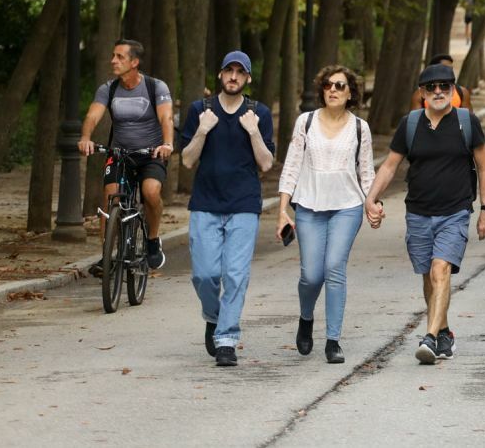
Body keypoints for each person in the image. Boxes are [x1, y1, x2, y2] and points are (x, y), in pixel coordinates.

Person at [365, 63, 485, 364]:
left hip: (455, 211)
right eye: (432, 87)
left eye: (445, 86)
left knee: (440, 271)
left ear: (454, 90)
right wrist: (371, 198)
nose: (438, 91)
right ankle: (445, 331)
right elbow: (389, 165)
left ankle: (431, 338)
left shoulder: (467, 122)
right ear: (422, 92)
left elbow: (484, 166)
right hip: (419, 213)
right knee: (428, 277)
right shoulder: (409, 124)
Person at [179, 50, 276, 367]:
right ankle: (214, 316)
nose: (233, 76)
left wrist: (253, 131)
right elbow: (187, 160)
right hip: (206, 203)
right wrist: (203, 129)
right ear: (220, 75)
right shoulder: (199, 110)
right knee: (205, 275)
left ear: (248, 78)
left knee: (235, 276)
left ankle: (226, 341)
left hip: (243, 205)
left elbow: (266, 163)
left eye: (240, 72)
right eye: (228, 70)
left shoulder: (258, 112)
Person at [276, 66, 375, 365]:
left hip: (347, 206)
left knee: (334, 267)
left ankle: (333, 340)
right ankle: (306, 318)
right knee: (311, 275)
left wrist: (372, 204)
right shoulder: (305, 122)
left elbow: (366, 172)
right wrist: (282, 210)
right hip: (308, 205)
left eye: (340, 86)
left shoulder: (360, 128)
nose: (333, 90)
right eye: (328, 85)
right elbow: (292, 166)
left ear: (350, 93)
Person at [79, 39, 174, 274]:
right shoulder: (108, 89)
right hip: (120, 153)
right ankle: (108, 255)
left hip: (151, 153)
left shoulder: (155, 87)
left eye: (120, 57)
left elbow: (166, 118)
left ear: (134, 62)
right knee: (110, 194)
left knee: (151, 192)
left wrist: (167, 144)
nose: (113, 61)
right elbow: (92, 116)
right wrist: (85, 137)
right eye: (113, 56)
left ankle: (152, 239)